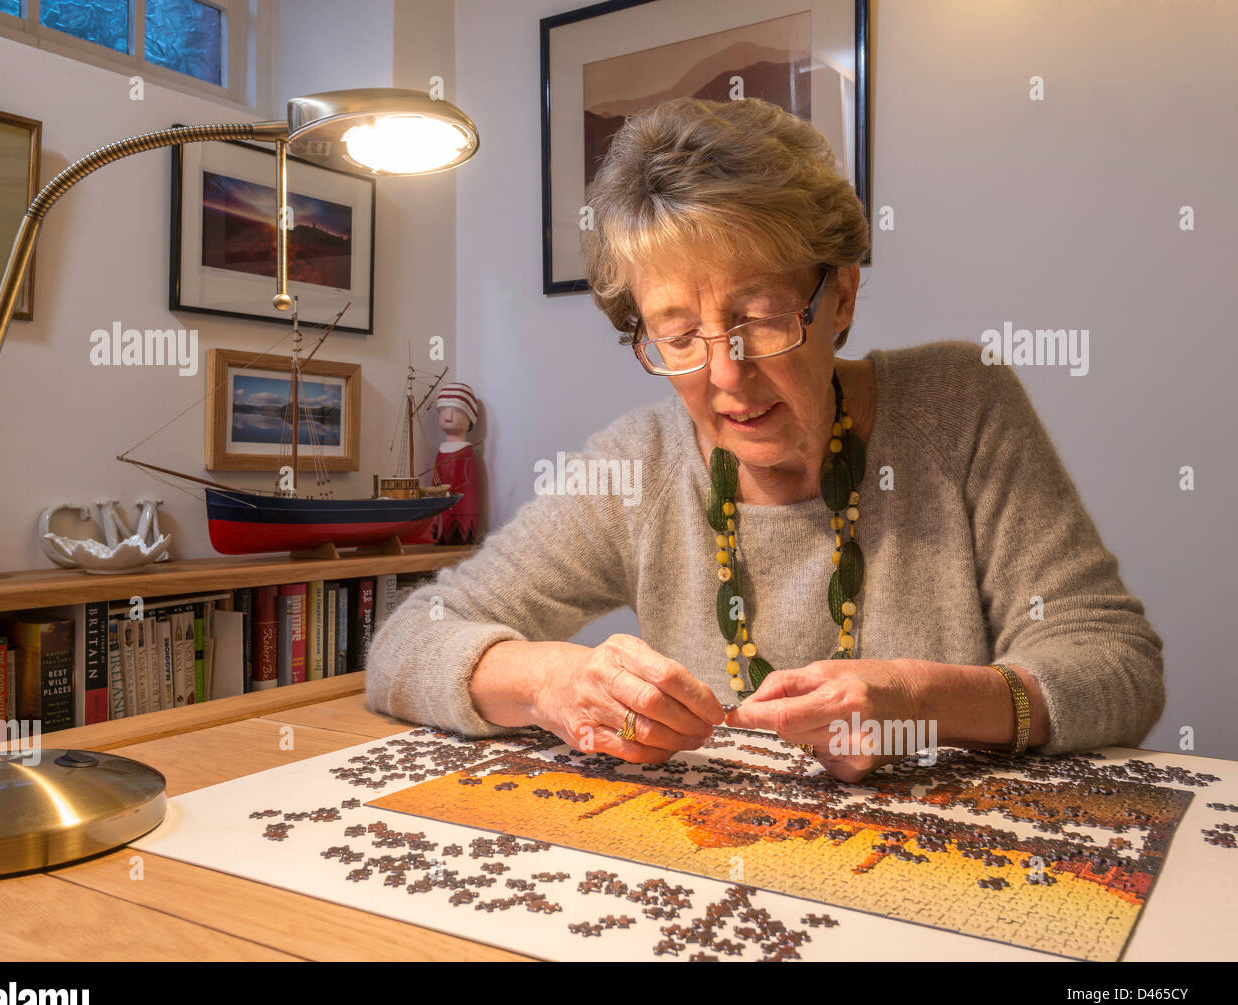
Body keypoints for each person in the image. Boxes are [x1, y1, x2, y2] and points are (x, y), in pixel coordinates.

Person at [365, 96, 1164, 783]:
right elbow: (406, 644)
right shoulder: (635, 466)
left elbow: (1116, 662)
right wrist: (548, 681)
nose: (726, 375)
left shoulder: (963, 405)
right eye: (678, 335)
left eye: (760, 319)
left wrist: (924, 705)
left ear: (841, 294)